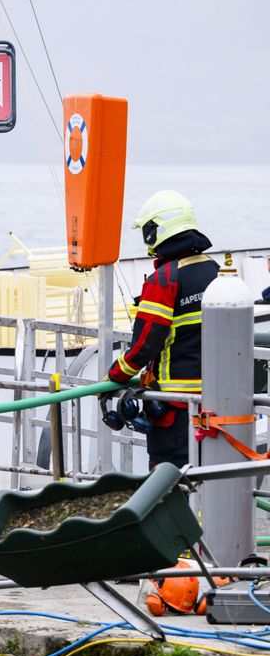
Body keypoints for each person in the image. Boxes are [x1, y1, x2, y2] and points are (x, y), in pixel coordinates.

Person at [106, 190, 218, 468]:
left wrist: (116, 374)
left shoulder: (164, 279)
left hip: (175, 407)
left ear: (156, 231)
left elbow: (145, 345)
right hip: (214, 402)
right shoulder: (214, 270)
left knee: (168, 482)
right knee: (209, 479)